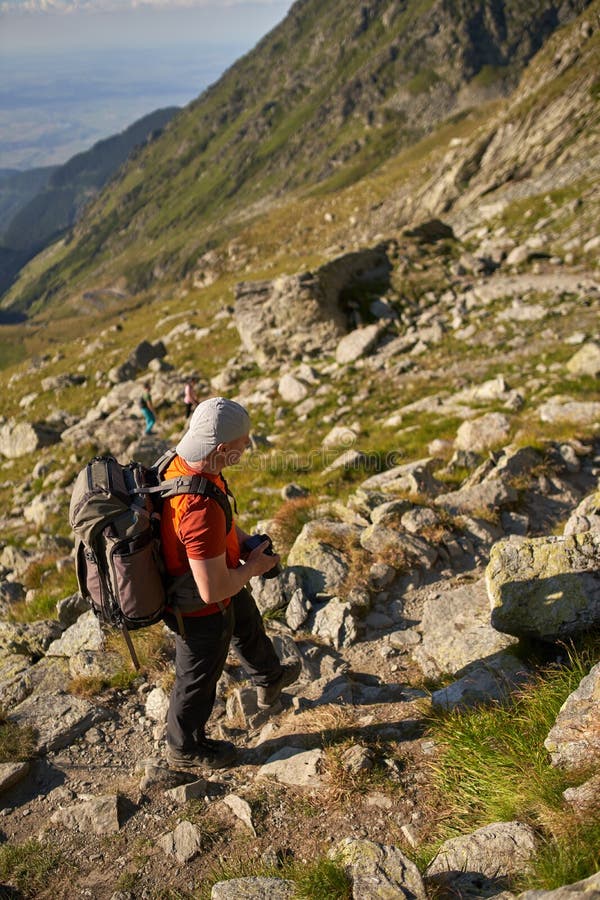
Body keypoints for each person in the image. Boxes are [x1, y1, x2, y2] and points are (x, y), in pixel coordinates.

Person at [160, 396, 301, 769]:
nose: (248, 446)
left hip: (214, 577)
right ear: (222, 449)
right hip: (197, 607)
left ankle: (269, 677)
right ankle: (184, 749)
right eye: (244, 441)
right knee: (197, 676)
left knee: (245, 619)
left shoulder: (186, 464)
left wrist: (241, 545)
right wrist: (252, 568)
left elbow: (215, 522)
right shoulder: (198, 510)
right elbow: (212, 589)